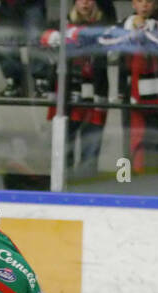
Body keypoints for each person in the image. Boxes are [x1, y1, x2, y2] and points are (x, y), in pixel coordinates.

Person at [99, 0, 158, 177]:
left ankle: (154, 178)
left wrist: (143, 29)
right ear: (133, 4)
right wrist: (128, 34)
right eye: (140, 1)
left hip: (155, 93)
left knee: (154, 138)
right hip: (129, 92)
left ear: (156, 6)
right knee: (129, 138)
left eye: (149, 2)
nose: (144, 5)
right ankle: (125, 178)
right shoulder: (124, 24)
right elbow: (104, 39)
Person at [45, 0, 112, 180]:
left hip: (95, 92)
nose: (85, 3)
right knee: (64, 144)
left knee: (90, 147)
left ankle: (86, 185)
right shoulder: (61, 24)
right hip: (67, 91)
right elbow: (43, 39)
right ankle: (63, 183)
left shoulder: (105, 25)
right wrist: (52, 38)